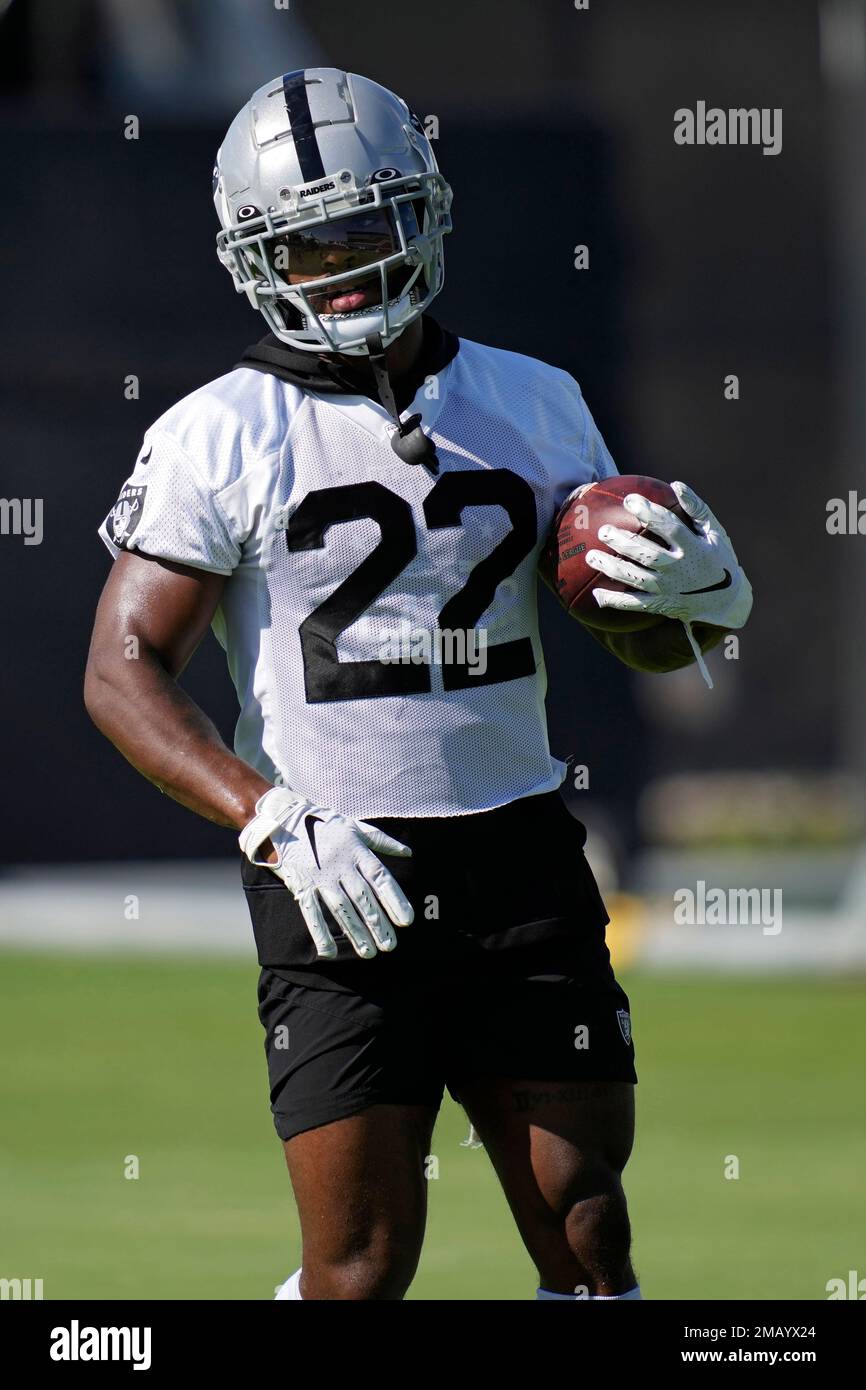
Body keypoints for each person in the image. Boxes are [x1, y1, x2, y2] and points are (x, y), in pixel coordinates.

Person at [84, 68, 752, 1301]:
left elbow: (629, 629)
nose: (338, 268)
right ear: (250, 256)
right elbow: (122, 674)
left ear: (427, 213)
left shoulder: (533, 398)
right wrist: (266, 814)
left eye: (363, 227)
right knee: (360, 1266)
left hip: (519, 853)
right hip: (335, 867)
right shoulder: (215, 431)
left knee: (588, 1227)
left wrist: (703, 605)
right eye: (303, 243)